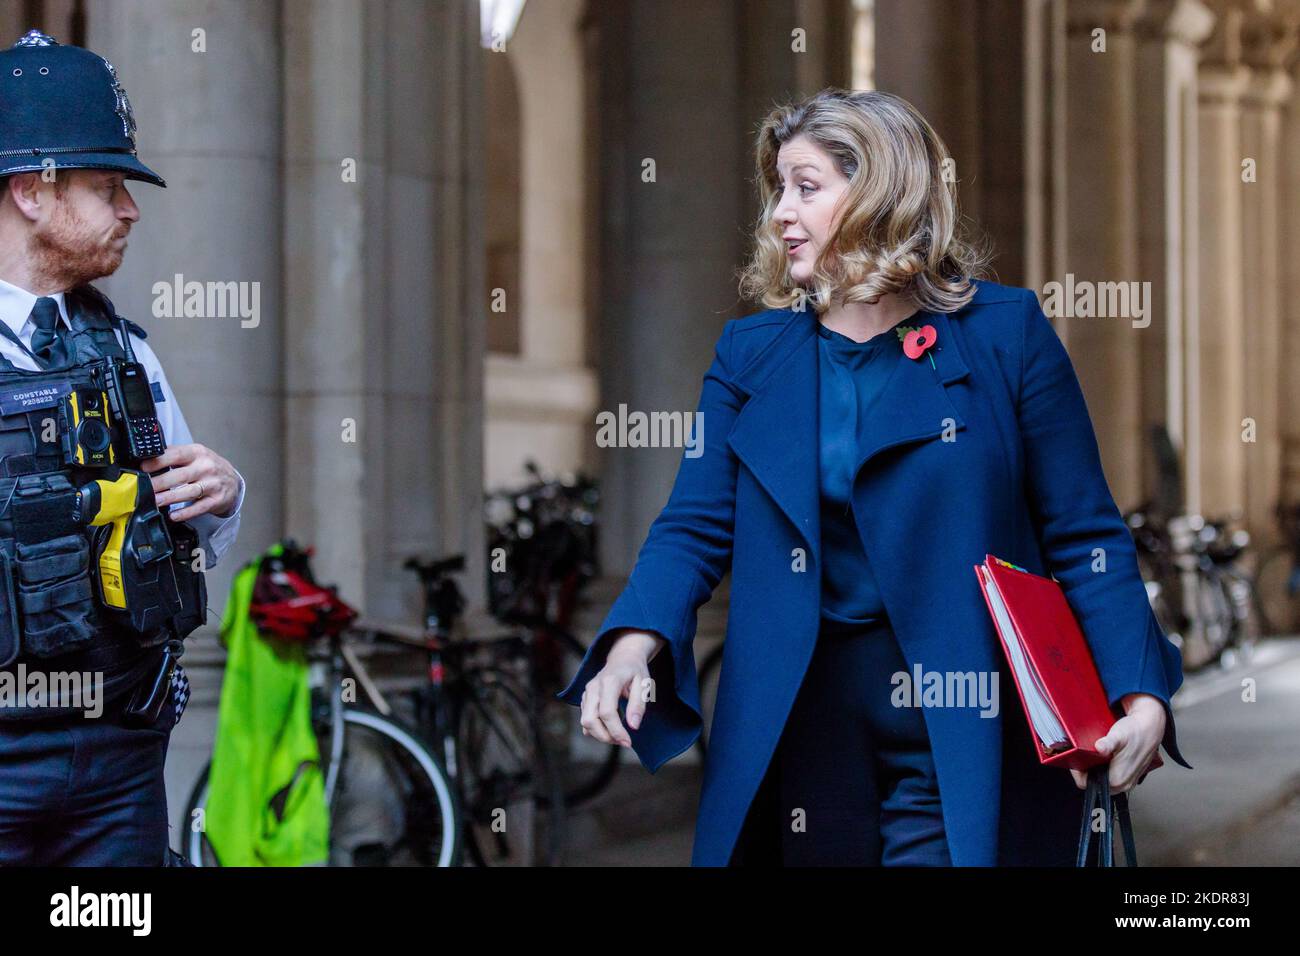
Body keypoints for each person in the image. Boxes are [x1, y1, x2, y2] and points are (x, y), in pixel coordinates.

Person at [557, 88, 1191, 866]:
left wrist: (1140, 688)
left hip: (960, 715)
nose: (780, 213)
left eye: (807, 187)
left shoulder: (1006, 334)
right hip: (800, 720)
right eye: (779, 190)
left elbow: (1084, 531)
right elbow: (693, 526)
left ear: (880, 193)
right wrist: (631, 642)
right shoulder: (750, 355)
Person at [0, 30, 244, 865]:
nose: (131, 210)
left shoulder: (124, 350)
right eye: (108, 187)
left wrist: (222, 491)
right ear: (34, 191)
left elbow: (183, 526)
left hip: (119, 757)